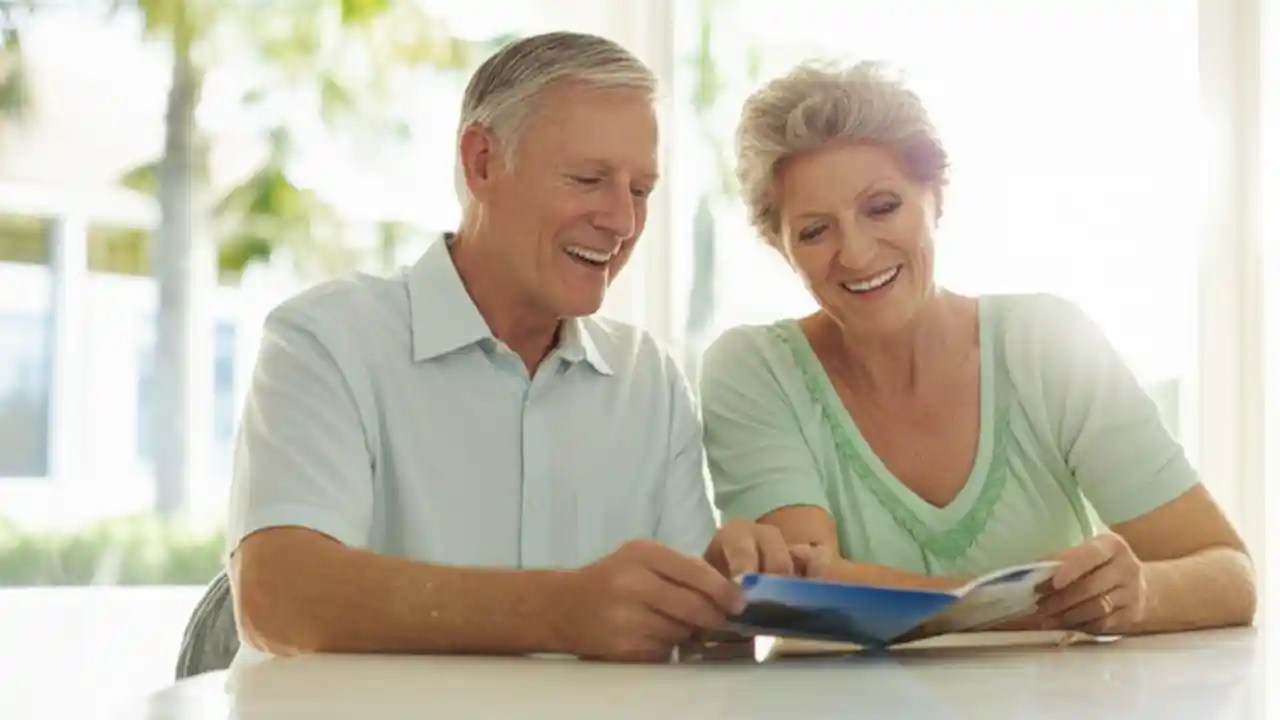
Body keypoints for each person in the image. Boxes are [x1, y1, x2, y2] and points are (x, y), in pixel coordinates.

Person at [226, 32, 822, 666]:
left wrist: (719, 597)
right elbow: (277, 596)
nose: (622, 221)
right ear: (482, 162)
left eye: (640, 190)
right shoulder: (327, 339)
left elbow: (695, 658)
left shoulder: (648, 378)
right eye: (588, 179)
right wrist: (558, 612)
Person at [701, 61, 1256, 634]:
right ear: (780, 247)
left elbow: (1231, 576)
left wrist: (1142, 594)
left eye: (882, 207)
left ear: (936, 197)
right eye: (815, 231)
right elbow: (808, 599)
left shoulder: (1048, 344)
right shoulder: (756, 370)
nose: (858, 253)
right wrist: (1038, 605)